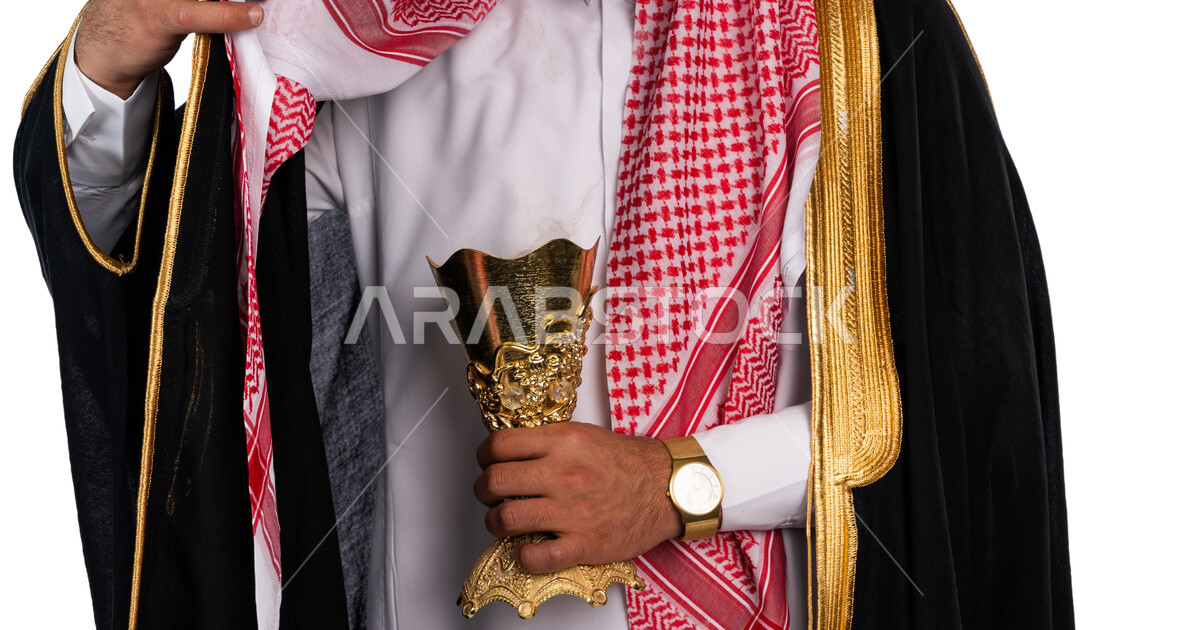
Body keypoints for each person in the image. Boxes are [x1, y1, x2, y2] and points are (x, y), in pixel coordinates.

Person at [14, 0, 1074, 629]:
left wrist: (684, 484)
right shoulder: (352, 35)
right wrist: (108, 66)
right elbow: (179, 307)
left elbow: (961, 409)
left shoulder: (855, 31)